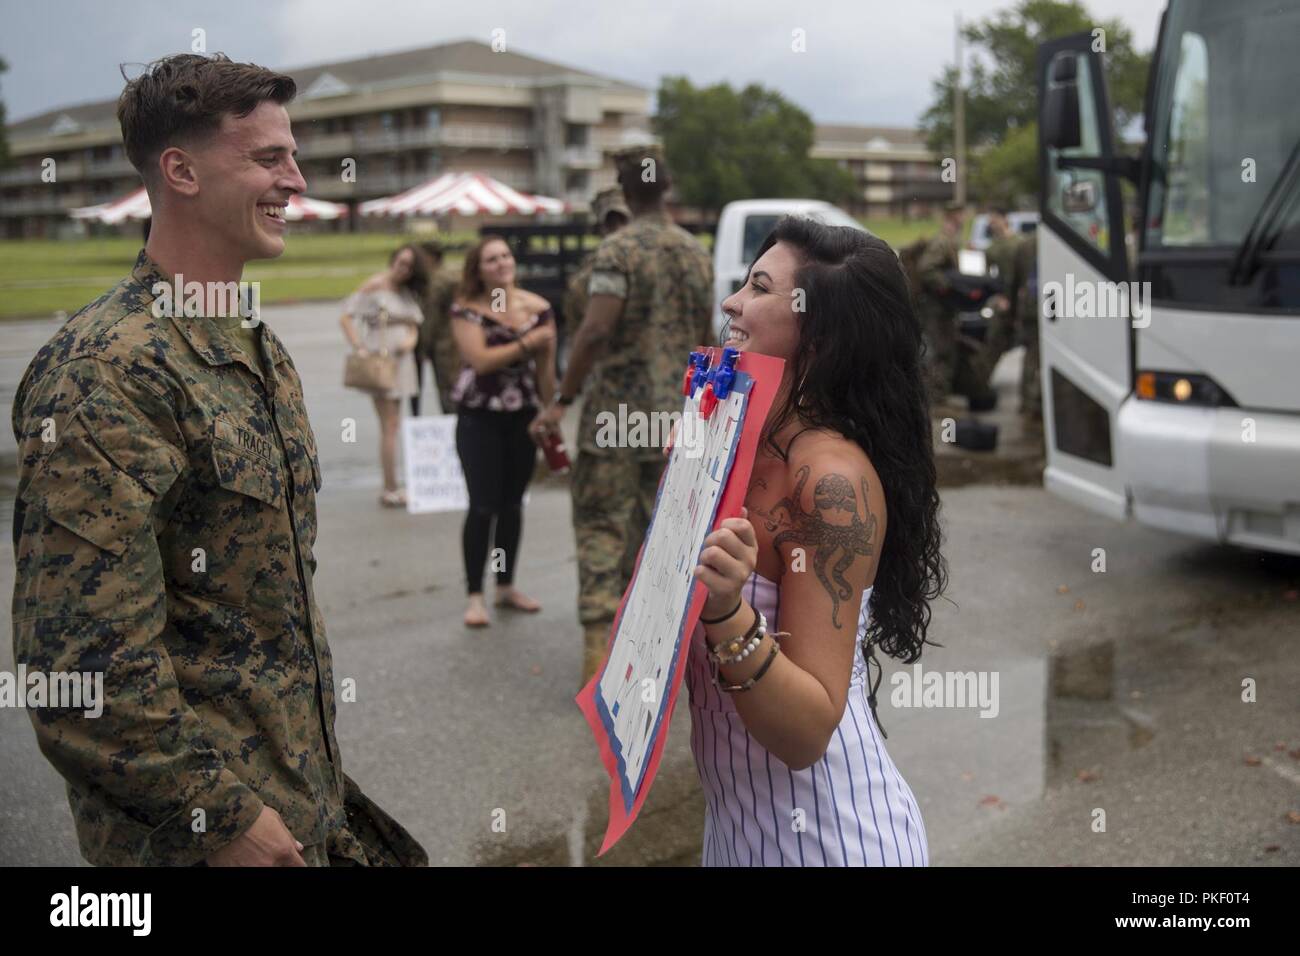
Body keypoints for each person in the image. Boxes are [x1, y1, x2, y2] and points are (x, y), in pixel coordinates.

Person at [10, 52, 426, 867]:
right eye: (268, 158)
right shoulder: (107, 371)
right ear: (182, 171)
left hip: (298, 803)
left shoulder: (255, 348)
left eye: (294, 156)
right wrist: (219, 815)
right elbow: (80, 670)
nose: (297, 181)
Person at [686, 215, 946, 866]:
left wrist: (726, 613)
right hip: (739, 834)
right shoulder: (732, 437)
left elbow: (807, 732)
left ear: (820, 336)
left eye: (758, 289)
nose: (731, 303)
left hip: (829, 841)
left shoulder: (829, 483)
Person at [530, 144, 714, 689]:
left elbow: (595, 329)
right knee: (661, 538)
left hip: (615, 420)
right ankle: (654, 666)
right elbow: (707, 340)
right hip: (675, 422)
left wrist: (563, 397)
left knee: (601, 532)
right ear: (668, 188)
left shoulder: (616, 252)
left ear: (625, 191)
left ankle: (598, 663)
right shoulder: (695, 254)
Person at [449, 236, 557, 628]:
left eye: (505, 256)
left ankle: (506, 586)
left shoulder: (539, 308)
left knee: (512, 504)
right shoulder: (467, 309)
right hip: (479, 416)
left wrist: (551, 410)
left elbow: (546, 373)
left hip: (522, 416)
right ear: (478, 269)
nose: (501, 263)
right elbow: (479, 361)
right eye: (491, 259)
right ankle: (474, 595)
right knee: (482, 505)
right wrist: (529, 342)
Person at [339, 245, 428, 507]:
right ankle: (389, 487)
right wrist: (360, 347)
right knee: (389, 425)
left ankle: (393, 483)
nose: (403, 269)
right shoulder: (376, 285)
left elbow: (414, 324)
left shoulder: (406, 291)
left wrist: (410, 341)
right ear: (393, 260)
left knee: (394, 423)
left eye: (410, 266)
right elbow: (346, 315)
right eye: (401, 263)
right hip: (382, 360)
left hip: (404, 362)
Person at [562, 186, 631, 344]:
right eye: (611, 223)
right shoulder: (587, 274)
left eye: (623, 221)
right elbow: (583, 332)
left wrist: (698, 369)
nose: (618, 230)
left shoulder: (653, 260)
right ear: (600, 229)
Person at [914, 201, 966, 408]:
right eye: (961, 215)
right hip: (936, 308)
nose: (963, 219)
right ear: (952, 217)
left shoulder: (950, 240)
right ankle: (936, 399)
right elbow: (926, 268)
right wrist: (945, 285)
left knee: (945, 349)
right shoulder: (942, 242)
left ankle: (940, 395)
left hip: (943, 308)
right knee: (939, 350)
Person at [973, 207, 1025, 397]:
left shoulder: (1020, 243)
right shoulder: (992, 248)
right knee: (994, 342)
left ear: (1004, 219)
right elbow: (988, 278)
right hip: (1003, 300)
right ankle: (980, 385)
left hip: (1022, 299)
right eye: (989, 220)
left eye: (994, 219)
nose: (991, 224)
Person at [415, 240, 459, 415]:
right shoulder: (452, 273)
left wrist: (423, 347)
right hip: (458, 340)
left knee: (448, 390)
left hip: (445, 343)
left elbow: (430, 318)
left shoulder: (437, 280)